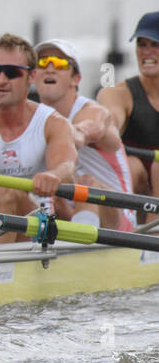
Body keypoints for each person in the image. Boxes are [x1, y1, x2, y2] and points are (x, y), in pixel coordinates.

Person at [0, 33, 77, 243]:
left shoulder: (53, 123)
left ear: (32, 77)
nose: (1, 80)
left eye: (11, 73)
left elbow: (66, 166)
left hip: (35, 227)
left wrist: (53, 175)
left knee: (5, 189)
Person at [33, 39, 134, 230]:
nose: (50, 69)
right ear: (32, 76)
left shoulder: (93, 112)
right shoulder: (30, 117)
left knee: (85, 185)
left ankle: (77, 249)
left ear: (75, 79)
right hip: (64, 210)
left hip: (116, 218)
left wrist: (68, 134)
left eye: (60, 63)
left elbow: (86, 130)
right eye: (42, 63)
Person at [98, 11, 159, 195]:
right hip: (135, 183)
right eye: (141, 44)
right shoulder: (118, 93)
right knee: (133, 165)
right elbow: (109, 120)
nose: (146, 52)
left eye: (155, 44)